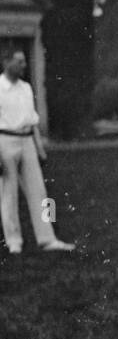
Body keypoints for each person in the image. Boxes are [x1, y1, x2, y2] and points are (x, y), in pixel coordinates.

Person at [0, 45, 75, 254]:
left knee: (40, 192)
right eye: (19, 62)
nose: (24, 66)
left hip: (27, 143)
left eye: (25, 61)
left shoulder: (26, 88)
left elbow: (32, 122)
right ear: (6, 63)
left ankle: (47, 238)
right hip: (5, 143)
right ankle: (14, 241)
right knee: (8, 193)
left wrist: (40, 149)